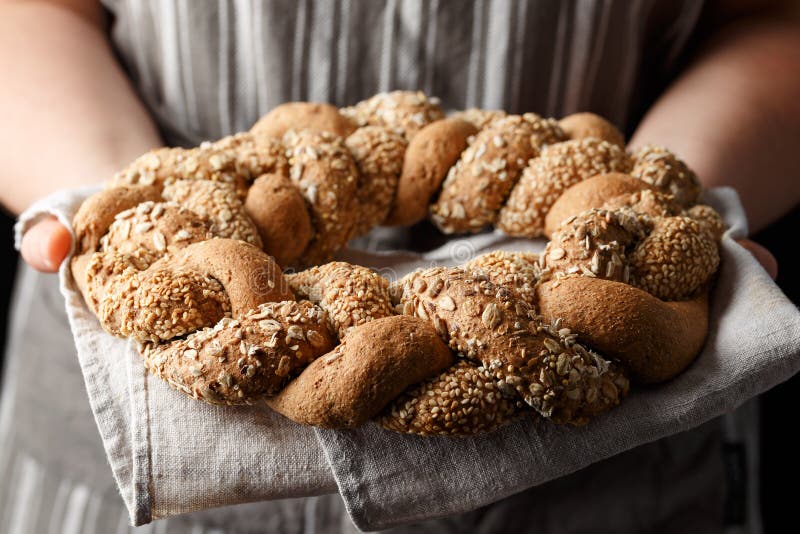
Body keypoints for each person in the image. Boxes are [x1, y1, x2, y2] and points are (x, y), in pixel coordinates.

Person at [0, 0, 797, 532]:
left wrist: (690, 189)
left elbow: (770, 18)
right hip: (115, 446)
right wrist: (105, 191)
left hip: (613, 490)